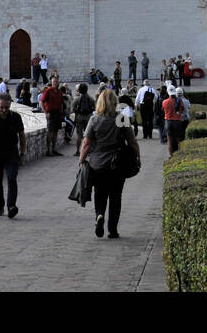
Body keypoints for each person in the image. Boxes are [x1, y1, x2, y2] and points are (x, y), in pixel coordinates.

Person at [79, 88, 140, 239]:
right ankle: (113, 230)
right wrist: (138, 157)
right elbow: (132, 141)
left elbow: (87, 143)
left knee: (100, 193)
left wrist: (81, 160)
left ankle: (99, 215)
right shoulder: (122, 119)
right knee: (116, 196)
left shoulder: (94, 119)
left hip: (97, 163)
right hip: (118, 163)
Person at [42, 76, 65, 156]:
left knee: (56, 131)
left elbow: (61, 102)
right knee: (50, 131)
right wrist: (45, 112)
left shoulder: (59, 92)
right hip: (50, 113)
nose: (55, 83)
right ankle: (48, 150)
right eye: (54, 81)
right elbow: (42, 102)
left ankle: (54, 149)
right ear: (51, 82)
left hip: (58, 113)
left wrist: (62, 112)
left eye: (56, 81)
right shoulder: (48, 91)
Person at [162, 88, 189, 156]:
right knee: (179, 140)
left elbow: (163, 110)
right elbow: (182, 110)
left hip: (168, 122)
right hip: (177, 121)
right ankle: (180, 155)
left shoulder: (165, 101)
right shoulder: (179, 101)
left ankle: (172, 156)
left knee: (170, 141)